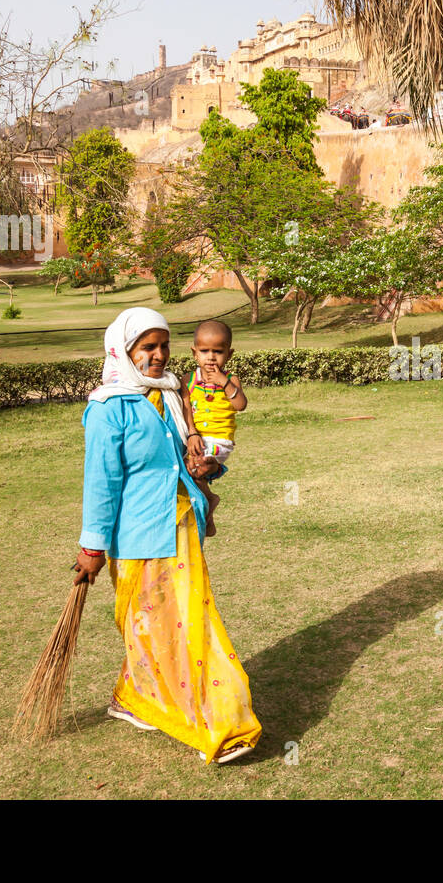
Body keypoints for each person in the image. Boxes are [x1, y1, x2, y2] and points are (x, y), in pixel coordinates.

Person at [74, 307, 262, 765]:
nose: (158, 356)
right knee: (151, 625)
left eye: (163, 346)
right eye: (148, 348)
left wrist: (213, 465)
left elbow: (191, 456)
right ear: (124, 350)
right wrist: (91, 548)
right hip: (137, 536)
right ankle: (179, 709)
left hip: (180, 524)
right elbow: (101, 484)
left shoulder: (173, 393)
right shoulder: (107, 410)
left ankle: (207, 714)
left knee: (187, 624)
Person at [180, 319, 245, 539]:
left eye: (218, 351)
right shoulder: (188, 380)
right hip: (197, 439)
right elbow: (186, 406)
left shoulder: (230, 379)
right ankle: (207, 502)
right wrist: (192, 432)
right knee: (193, 471)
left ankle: (207, 501)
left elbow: (240, 405)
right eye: (204, 350)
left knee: (196, 467)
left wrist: (224, 383)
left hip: (220, 441)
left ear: (229, 354)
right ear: (194, 352)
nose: (211, 357)